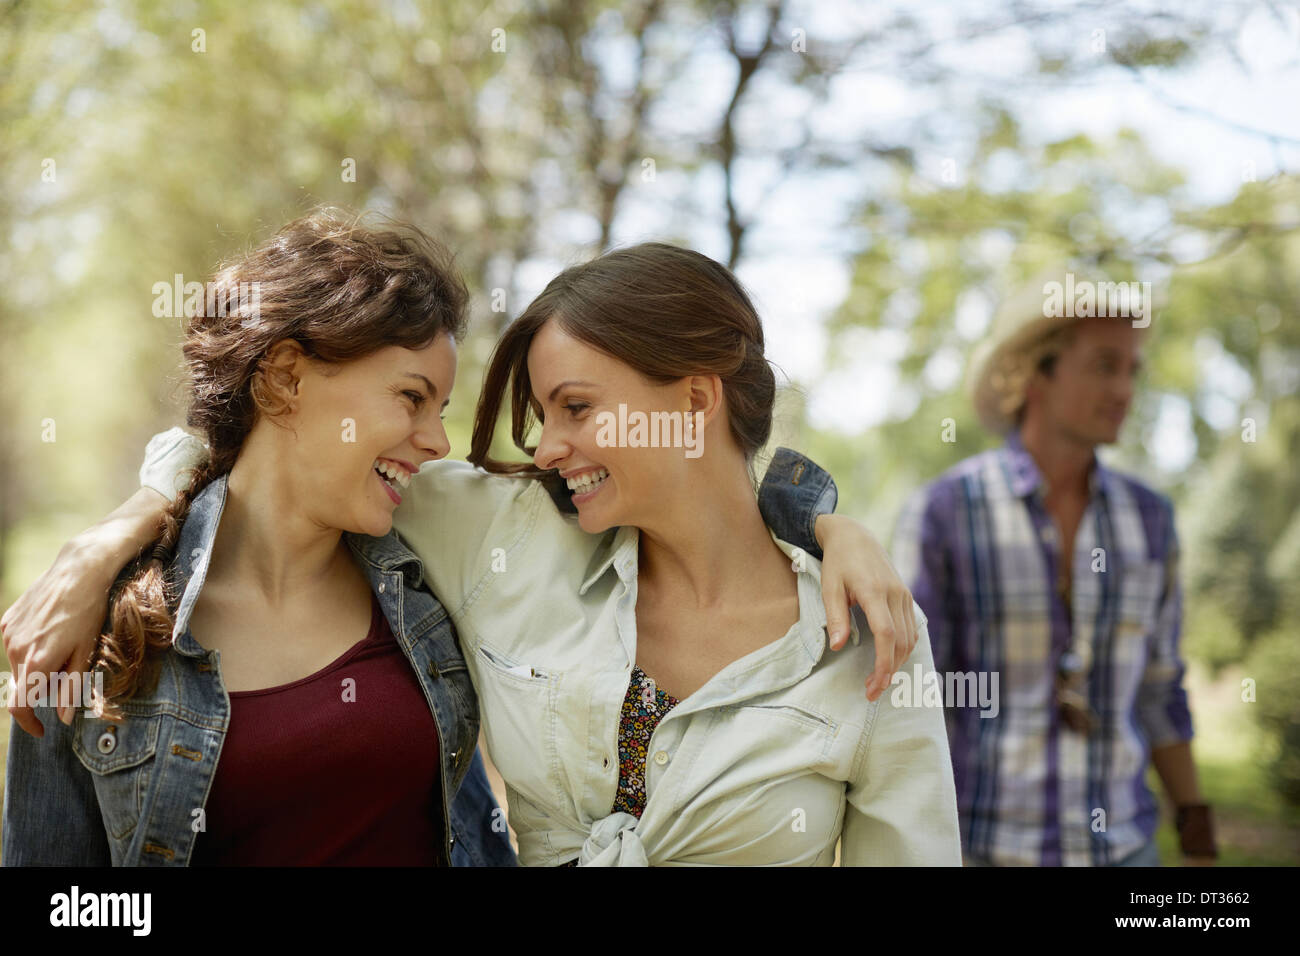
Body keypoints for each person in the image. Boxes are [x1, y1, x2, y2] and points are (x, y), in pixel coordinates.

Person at [4, 224, 947, 865]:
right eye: (542, 414)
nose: (542, 447)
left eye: (576, 408)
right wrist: (119, 534)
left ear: (694, 401)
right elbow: (250, 447)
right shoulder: (503, 536)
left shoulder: (862, 636)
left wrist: (825, 519)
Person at [3, 209, 514, 866]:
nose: (438, 441)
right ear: (285, 379)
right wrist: (98, 551)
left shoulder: (425, 583)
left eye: (438, 410)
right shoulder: (99, 631)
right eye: (411, 398)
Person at [889, 269, 1217, 867]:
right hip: (983, 849)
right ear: (1035, 372)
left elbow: (1160, 690)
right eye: (1103, 365)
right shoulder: (944, 513)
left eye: (1130, 370)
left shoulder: (1151, 520)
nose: (1124, 390)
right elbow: (906, 699)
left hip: (1127, 852)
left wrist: (1198, 839)